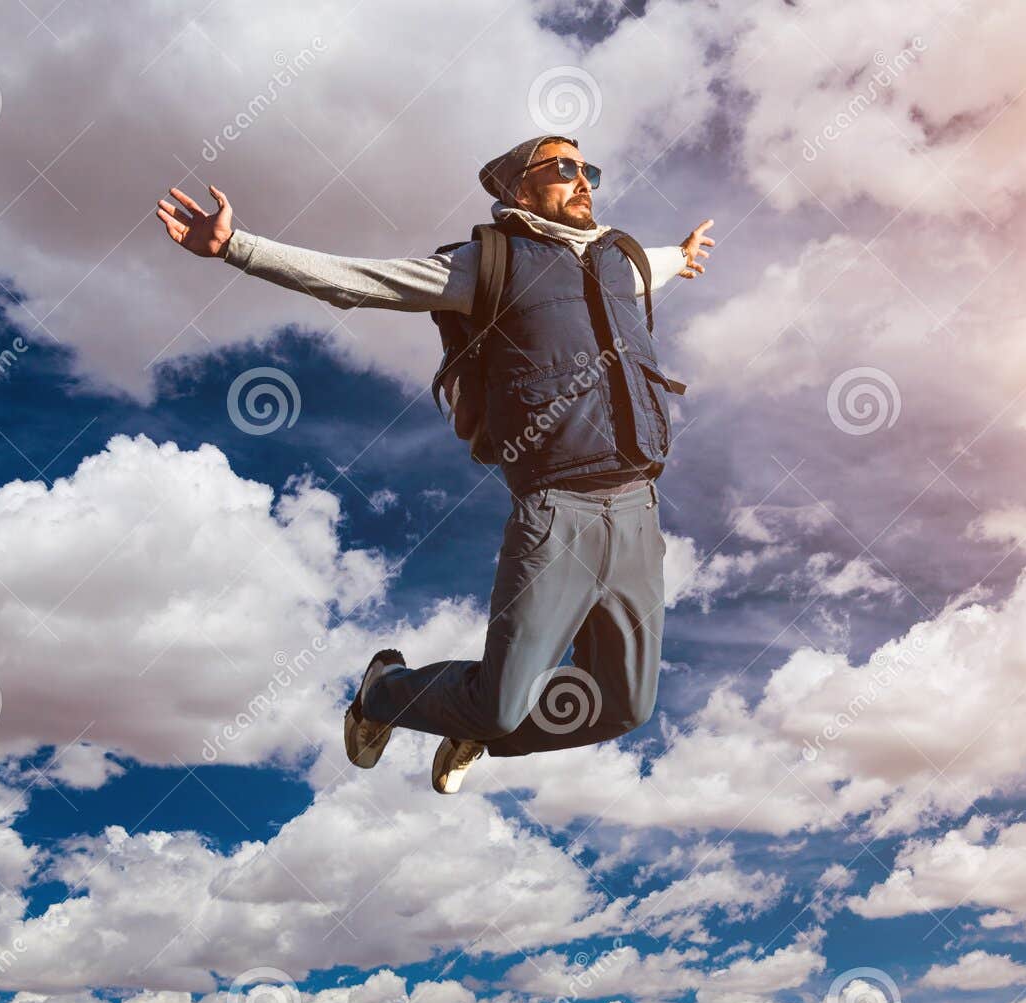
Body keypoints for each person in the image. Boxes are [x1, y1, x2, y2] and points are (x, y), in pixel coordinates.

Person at [156, 134, 714, 794]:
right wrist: (237, 248)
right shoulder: (487, 264)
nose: (583, 179)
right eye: (564, 168)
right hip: (557, 510)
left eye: (588, 168)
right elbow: (361, 282)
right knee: (500, 705)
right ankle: (384, 694)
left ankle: (469, 722)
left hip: (640, 508)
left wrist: (683, 255)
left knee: (623, 707)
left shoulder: (622, 259)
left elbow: (661, 263)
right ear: (519, 188)